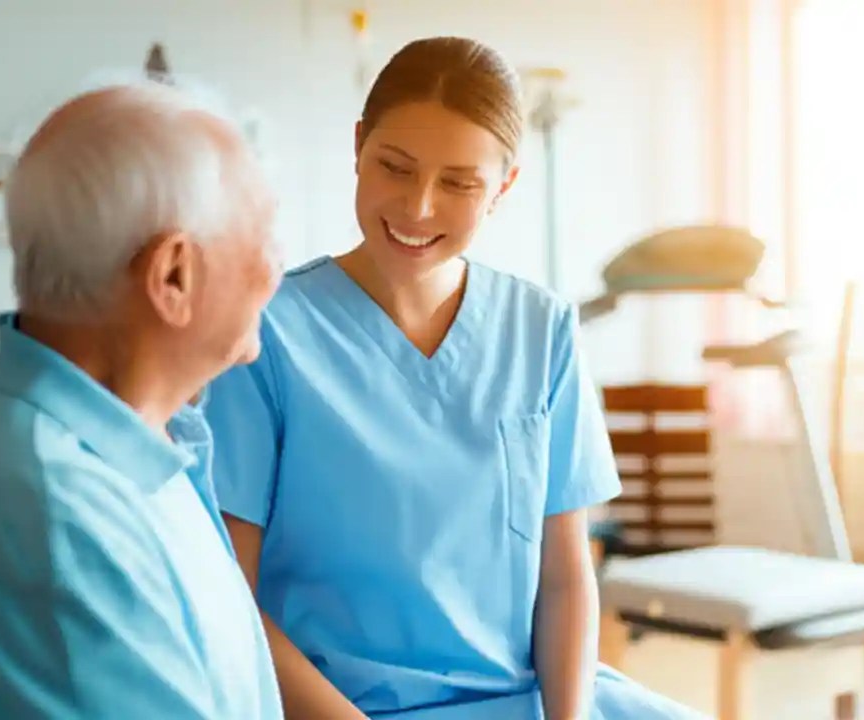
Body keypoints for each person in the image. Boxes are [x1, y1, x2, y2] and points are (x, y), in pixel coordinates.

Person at [203, 36, 708, 720]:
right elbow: (230, 596)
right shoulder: (264, 336)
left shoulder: (543, 330)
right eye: (395, 168)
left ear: (503, 186)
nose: (417, 208)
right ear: (358, 146)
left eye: (459, 183)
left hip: (535, 701)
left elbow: (564, 580)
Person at [0, 84, 285, 719]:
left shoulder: (128, 448)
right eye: (261, 233)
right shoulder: (56, 521)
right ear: (173, 275)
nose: (276, 266)